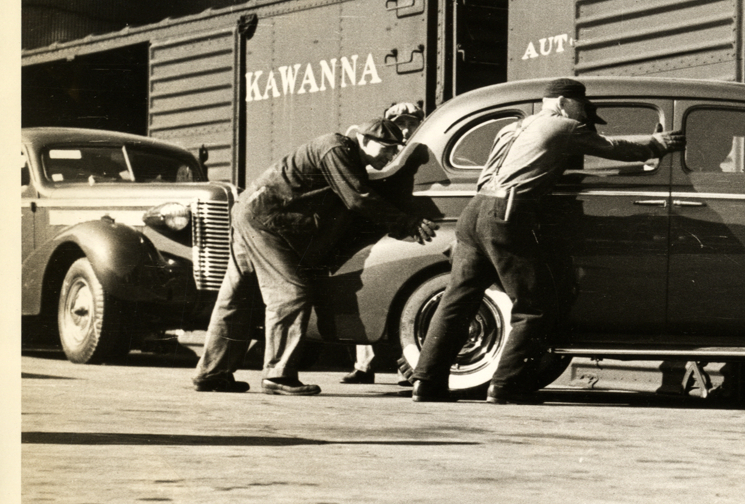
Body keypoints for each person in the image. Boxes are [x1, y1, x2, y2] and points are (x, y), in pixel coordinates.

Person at [411, 77, 684, 404]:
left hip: (476, 210)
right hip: (508, 212)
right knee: (535, 306)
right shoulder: (564, 126)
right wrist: (657, 143)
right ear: (565, 102)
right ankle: (507, 385)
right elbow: (612, 147)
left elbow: (493, 174)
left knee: (457, 300)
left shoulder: (514, 127)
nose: (582, 115)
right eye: (581, 106)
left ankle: (426, 382)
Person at [192, 117, 438, 395]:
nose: (392, 155)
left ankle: (211, 373)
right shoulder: (337, 149)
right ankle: (278, 374)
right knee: (290, 294)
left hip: (252, 214)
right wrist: (408, 223)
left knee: (236, 298)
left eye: (396, 150)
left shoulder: (343, 153)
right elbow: (358, 198)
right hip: (266, 221)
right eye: (387, 148)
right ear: (364, 141)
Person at [343, 101, 425, 386]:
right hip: (374, 220)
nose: (404, 128)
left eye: (410, 123)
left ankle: (406, 368)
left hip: (393, 221)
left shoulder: (414, 149)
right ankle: (363, 365)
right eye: (399, 122)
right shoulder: (381, 149)